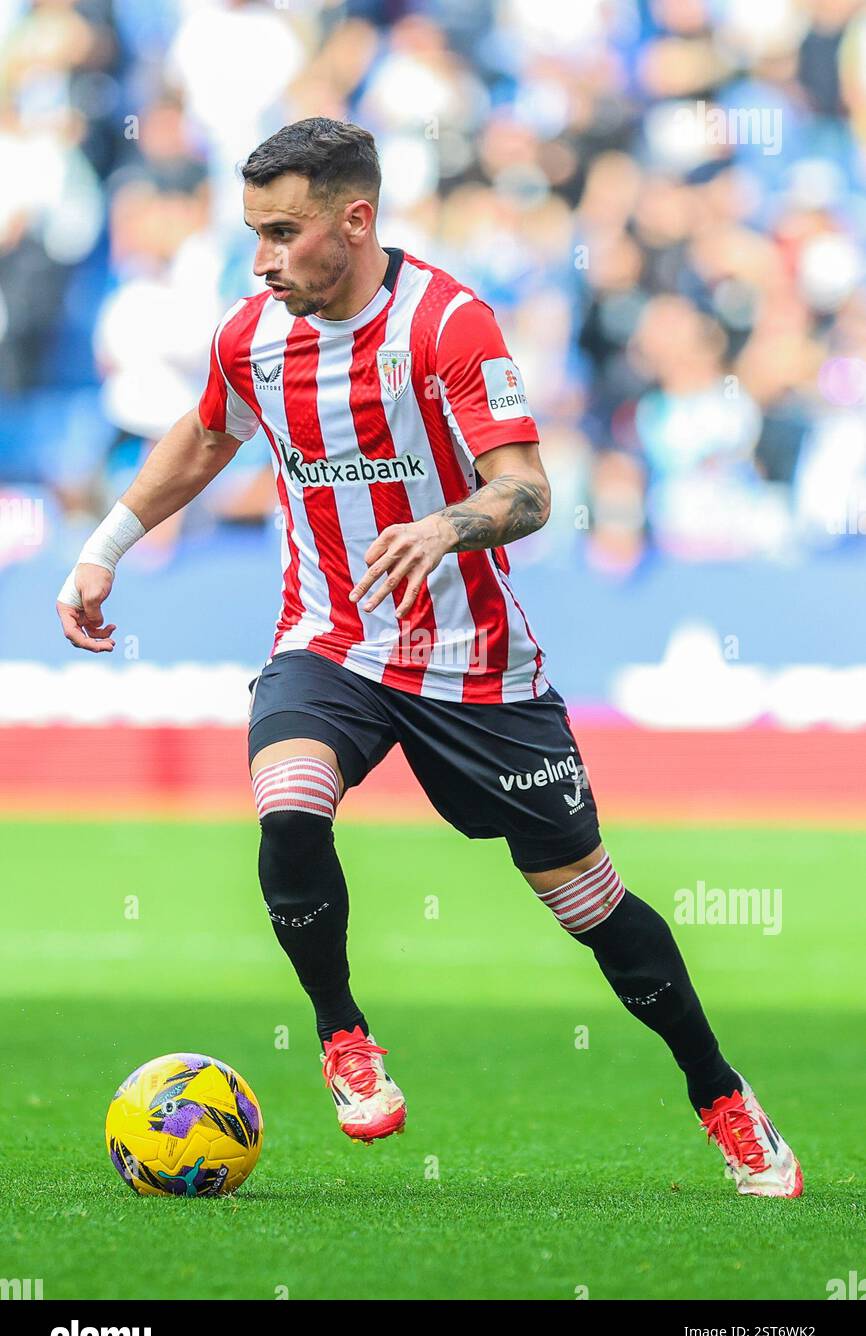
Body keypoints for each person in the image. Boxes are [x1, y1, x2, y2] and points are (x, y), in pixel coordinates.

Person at [56, 118, 801, 1198]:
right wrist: (104, 548)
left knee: (588, 903)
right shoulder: (251, 336)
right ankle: (342, 1033)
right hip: (331, 639)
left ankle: (720, 1092)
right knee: (289, 805)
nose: (261, 259)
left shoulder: (447, 324)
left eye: (282, 232)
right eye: (253, 232)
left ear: (353, 221)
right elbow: (208, 435)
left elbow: (529, 489)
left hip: (472, 665)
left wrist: (446, 526)